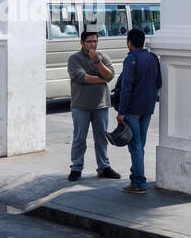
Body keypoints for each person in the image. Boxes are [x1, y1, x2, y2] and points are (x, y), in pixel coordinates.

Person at [66, 29, 119, 183]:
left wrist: (97, 61)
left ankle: (104, 167)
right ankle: (76, 168)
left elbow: (110, 75)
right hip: (80, 105)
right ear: (82, 42)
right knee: (79, 138)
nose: (93, 44)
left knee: (101, 138)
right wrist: (102, 79)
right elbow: (82, 77)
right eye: (89, 41)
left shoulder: (103, 57)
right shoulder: (74, 58)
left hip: (101, 105)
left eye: (95, 41)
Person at [116, 27, 161, 194]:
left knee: (135, 145)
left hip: (133, 108)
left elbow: (126, 87)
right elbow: (158, 83)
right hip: (148, 108)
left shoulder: (131, 59)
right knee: (139, 144)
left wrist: (121, 111)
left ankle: (139, 183)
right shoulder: (152, 58)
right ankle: (137, 178)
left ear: (129, 42)